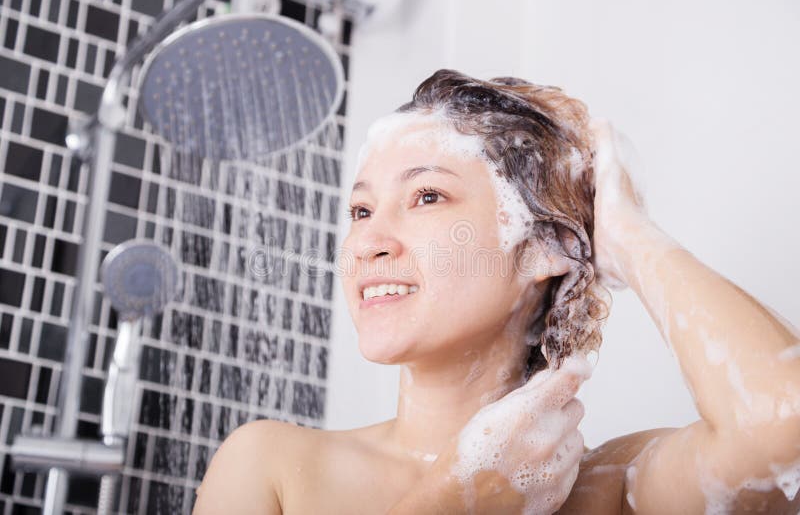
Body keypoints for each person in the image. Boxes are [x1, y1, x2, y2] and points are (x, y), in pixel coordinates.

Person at [193, 70, 800, 514]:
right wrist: (458, 499)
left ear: (542, 248)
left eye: (427, 196)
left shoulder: (608, 492)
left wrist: (628, 237)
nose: (366, 242)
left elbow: (782, 422)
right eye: (360, 209)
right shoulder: (270, 468)